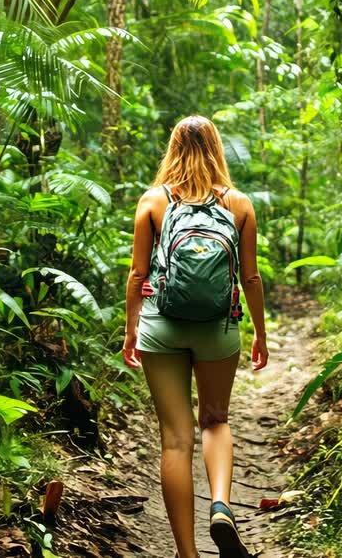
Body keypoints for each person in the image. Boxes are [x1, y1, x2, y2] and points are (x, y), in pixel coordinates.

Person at [122, 114, 269, 558]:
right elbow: (251, 277)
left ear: (172, 149)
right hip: (217, 330)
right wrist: (260, 333)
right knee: (216, 420)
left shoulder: (152, 201)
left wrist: (130, 331)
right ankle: (221, 505)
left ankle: (188, 554)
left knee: (175, 438)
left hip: (161, 328)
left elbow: (137, 274)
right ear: (217, 148)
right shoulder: (239, 204)